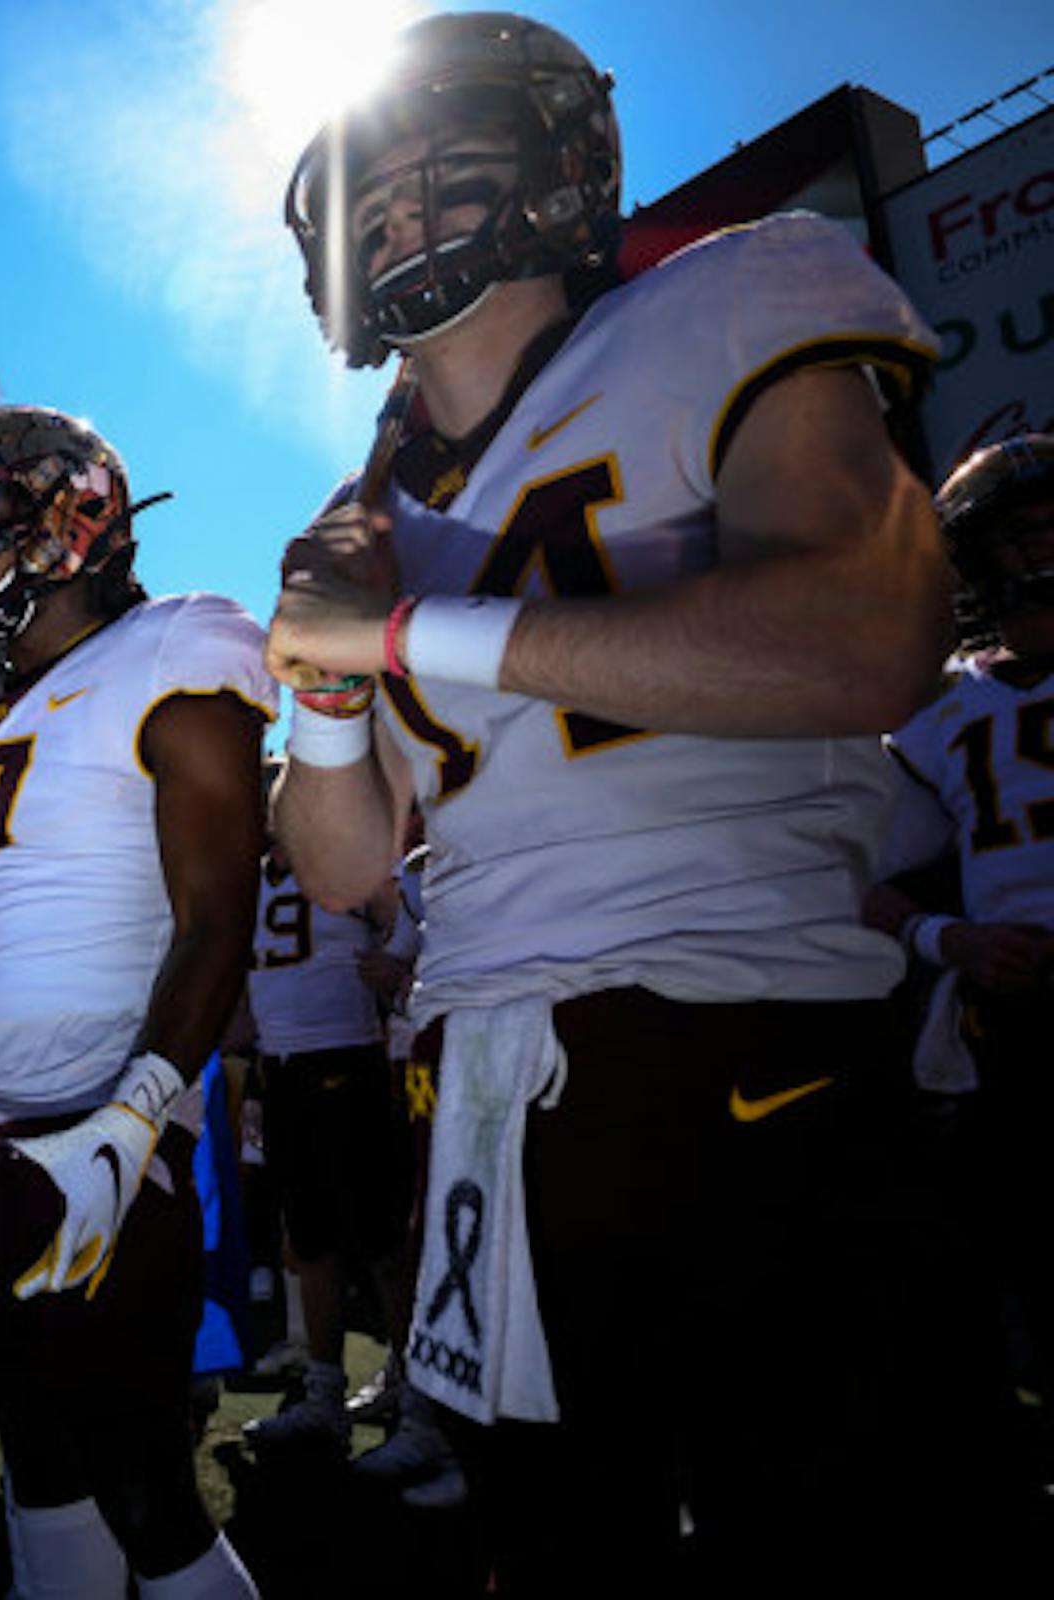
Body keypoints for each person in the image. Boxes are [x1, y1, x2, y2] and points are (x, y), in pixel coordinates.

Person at [263, 12, 1010, 1594]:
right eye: (367, 199)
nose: (395, 214)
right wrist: (327, 690)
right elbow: (342, 866)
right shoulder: (369, 500)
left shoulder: (733, 289)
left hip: (741, 1038)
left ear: (552, 165)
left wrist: (404, 632)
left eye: (433, 167)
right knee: (549, 1552)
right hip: (478, 1091)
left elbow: (869, 637)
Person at [0, 405, 273, 1597]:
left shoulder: (174, 643)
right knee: (39, 1456)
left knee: (144, 1480)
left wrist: (138, 1112)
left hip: (93, 1126)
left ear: (75, 518)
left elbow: (219, 914)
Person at [866, 435, 1054, 1420]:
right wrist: (955, 940)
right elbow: (867, 880)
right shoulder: (945, 711)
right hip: (1018, 1021)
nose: (1044, 549)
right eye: (1025, 533)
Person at [237, 844, 411, 1460]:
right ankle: (324, 1397)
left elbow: (407, 925)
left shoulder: (347, 861)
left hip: (349, 1060)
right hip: (283, 1070)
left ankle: (419, 1405)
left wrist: (395, 967)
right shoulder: (247, 877)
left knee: (383, 1242)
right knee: (309, 1241)